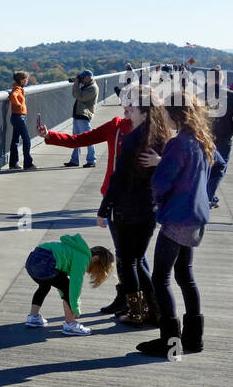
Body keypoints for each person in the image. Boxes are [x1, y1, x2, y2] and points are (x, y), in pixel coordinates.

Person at [135, 91, 225, 357]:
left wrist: (157, 200)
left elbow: (162, 181)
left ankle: (170, 342)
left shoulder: (178, 144)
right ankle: (193, 340)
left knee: (160, 278)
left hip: (177, 218)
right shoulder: (203, 140)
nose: (162, 116)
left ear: (174, 114)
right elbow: (219, 166)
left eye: (164, 112)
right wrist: (203, 194)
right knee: (185, 275)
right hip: (196, 216)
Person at [38, 92, 137, 314]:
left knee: (132, 256)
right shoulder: (116, 126)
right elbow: (81, 140)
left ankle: (140, 302)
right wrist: (50, 135)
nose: (124, 107)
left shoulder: (154, 130)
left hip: (140, 202)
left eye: (129, 104)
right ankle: (131, 300)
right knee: (126, 254)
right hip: (115, 200)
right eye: (125, 104)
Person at [98, 86, 175, 327]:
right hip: (150, 209)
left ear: (143, 113)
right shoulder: (163, 137)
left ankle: (136, 312)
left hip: (126, 209)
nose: (128, 113)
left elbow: (118, 179)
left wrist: (103, 210)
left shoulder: (132, 139)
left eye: (132, 109)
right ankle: (156, 309)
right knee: (139, 258)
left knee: (127, 261)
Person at [23, 233, 114, 336]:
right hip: (47, 262)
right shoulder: (83, 257)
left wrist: (64, 294)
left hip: (32, 261)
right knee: (69, 289)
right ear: (96, 259)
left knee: (45, 286)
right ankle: (70, 325)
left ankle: (33, 317)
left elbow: (60, 280)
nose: (91, 272)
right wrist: (76, 308)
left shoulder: (74, 250)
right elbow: (75, 285)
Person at [206, 74, 233, 208]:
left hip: (204, 136)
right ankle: (209, 196)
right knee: (219, 167)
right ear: (222, 79)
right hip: (224, 137)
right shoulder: (232, 95)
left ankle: (207, 195)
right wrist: (232, 131)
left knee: (205, 167)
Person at [65, 71, 99, 167]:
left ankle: (92, 160)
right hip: (78, 114)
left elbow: (81, 97)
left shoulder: (93, 88)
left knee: (89, 138)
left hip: (84, 115)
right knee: (76, 139)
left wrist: (76, 83)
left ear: (89, 77)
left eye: (83, 77)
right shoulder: (85, 86)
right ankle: (74, 160)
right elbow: (75, 94)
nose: (82, 79)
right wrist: (77, 84)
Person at [7, 71, 34, 170]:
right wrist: (18, 105)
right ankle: (28, 164)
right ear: (22, 80)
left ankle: (13, 163)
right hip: (18, 117)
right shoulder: (17, 89)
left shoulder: (18, 88)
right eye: (26, 79)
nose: (27, 81)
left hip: (16, 117)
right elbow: (13, 96)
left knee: (15, 141)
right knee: (26, 140)